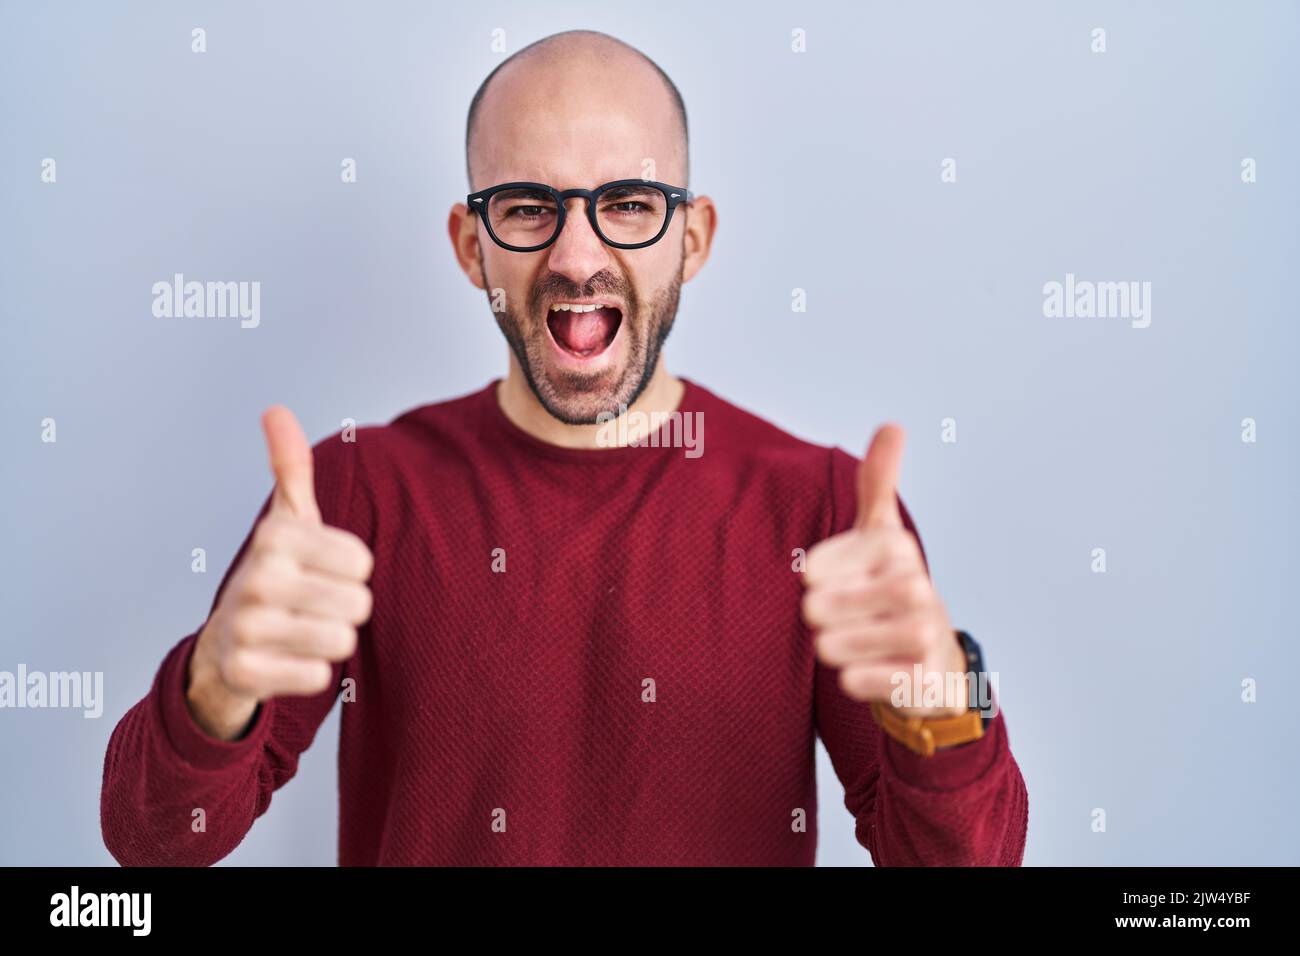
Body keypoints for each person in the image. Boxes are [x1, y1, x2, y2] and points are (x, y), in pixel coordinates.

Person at [101, 29, 1028, 866]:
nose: (577, 256)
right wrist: (212, 684)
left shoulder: (825, 510)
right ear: (471, 247)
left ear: (693, 239)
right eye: (527, 205)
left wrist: (946, 694)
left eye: (627, 202)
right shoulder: (355, 492)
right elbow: (154, 843)